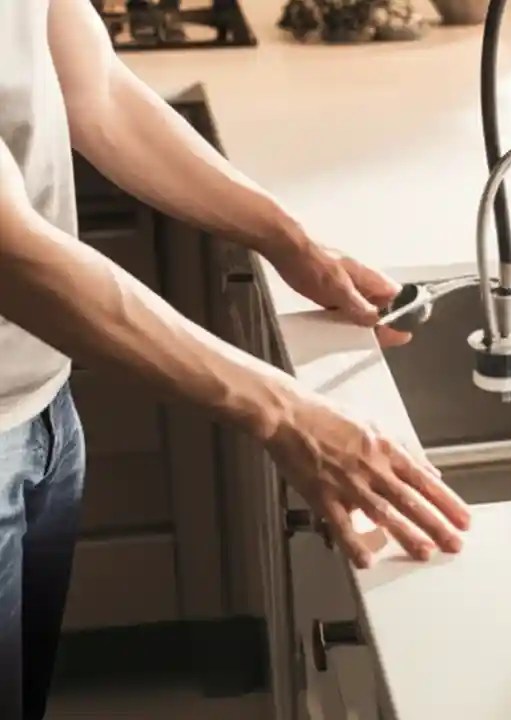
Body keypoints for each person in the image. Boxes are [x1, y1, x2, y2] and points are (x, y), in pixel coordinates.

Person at [0, 0, 473, 716]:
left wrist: (290, 240)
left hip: (40, 406)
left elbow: (94, 86)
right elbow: (12, 255)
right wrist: (286, 413)